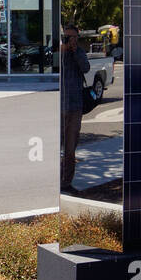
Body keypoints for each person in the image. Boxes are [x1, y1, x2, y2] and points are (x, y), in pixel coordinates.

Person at [60, 23, 90, 193]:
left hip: (74, 106)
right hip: (58, 107)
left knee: (70, 149)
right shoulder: (59, 54)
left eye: (73, 37)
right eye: (67, 37)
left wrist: (74, 51)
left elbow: (86, 68)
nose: (70, 39)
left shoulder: (79, 52)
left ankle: (66, 182)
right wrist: (63, 50)